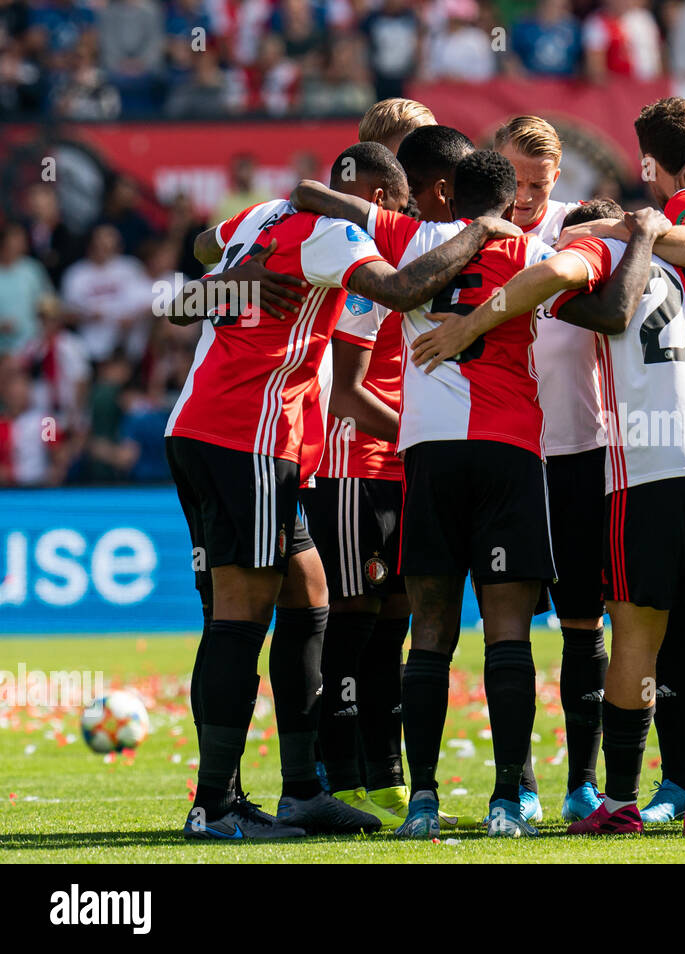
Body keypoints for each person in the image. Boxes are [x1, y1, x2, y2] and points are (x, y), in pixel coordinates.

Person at [407, 198, 685, 836]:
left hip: (648, 468)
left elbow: (549, 278)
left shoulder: (600, 254)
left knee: (636, 632)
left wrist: (468, 325)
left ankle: (617, 801)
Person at [166, 142, 516, 839]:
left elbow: (194, 266)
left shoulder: (262, 216)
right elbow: (401, 289)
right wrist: (479, 232)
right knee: (240, 610)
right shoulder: (336, 234)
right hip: (247, 433)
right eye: (401, 205)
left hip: (205, 425)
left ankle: (301, 791)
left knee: (309, 590)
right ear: (382, 200)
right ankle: (215, 804)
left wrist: (230, 283)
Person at [296, 150, 554, 839]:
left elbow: (319, 196)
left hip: (429, 456)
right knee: (508, 633)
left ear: (445, 193)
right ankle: (508, 801)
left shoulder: (406, 236)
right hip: (510, 451)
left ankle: (423, 801)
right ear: (509, 200)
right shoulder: (532, 248)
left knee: (429, 635)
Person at [493, 115, 603, 823]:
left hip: (581, 455)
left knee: (584, 627)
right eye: (515, 182)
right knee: (509, 628)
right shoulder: (470, 235)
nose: (526, 196)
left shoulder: (581, 232)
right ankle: (518, 783)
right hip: (505, 458)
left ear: (557, 178)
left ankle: (583, 783)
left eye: (538, 183)